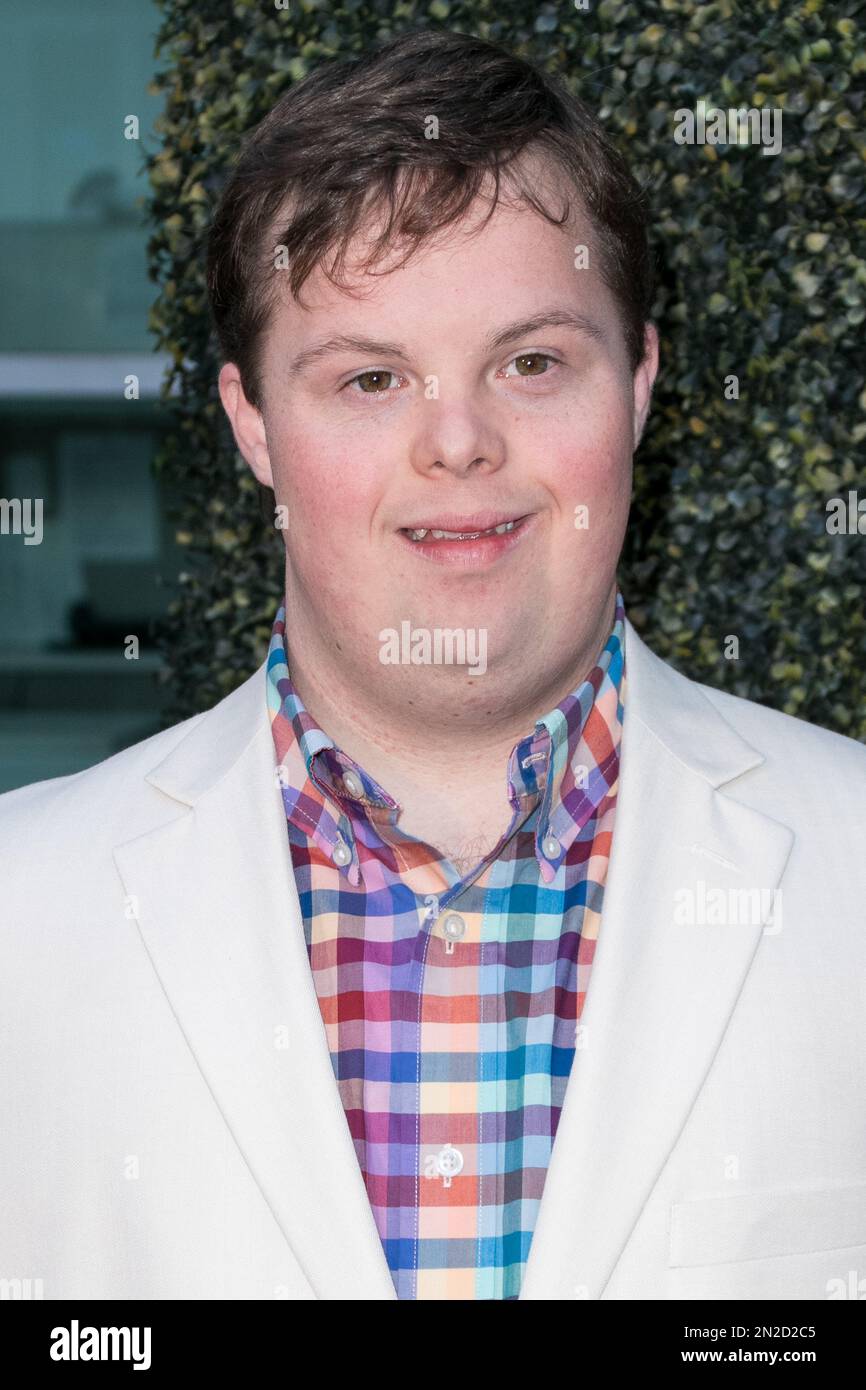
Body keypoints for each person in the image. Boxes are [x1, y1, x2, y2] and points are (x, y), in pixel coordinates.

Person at [1, 28, 865, 1302]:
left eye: (529, 363)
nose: (456, 442)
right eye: (368, 378)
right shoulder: (22, 919)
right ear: (251, 426)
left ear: (636, 385)